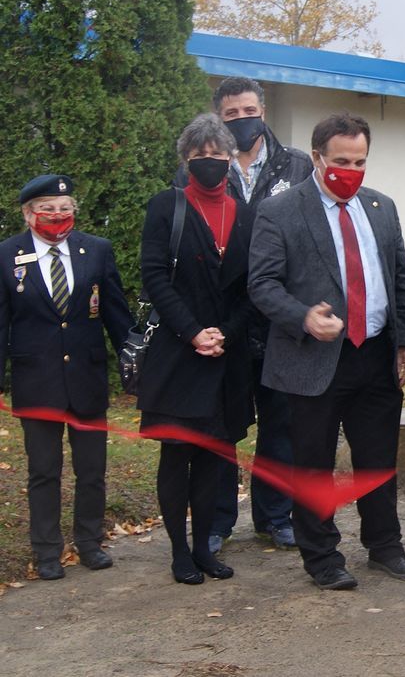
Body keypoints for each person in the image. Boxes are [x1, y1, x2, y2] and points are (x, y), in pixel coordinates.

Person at [248, 112, 405, 591]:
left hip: (375, 357)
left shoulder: (381, 207)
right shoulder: (280, 211)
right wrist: (303, 316)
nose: (351, 170)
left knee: (377, 460)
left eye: (361, 161)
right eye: (341, 161)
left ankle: (385, 547)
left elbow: (402, 280)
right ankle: (322, 557)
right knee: (312, 463)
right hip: (313, 359)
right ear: (317, 157)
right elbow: (261, 284)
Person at [175, 76, 312, 554]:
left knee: (281, 423)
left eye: (248, 110)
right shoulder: (200, 168)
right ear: (219, 115)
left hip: (280, 320)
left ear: (263, 110)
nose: (241, 119)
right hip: (224, 319)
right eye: (231, 114)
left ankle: (275, 517)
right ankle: (217, 521)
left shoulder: (296, 165)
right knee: (223, 425)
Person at [139, 114, 255, 585]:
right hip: (178, 354)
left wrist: (225, 332)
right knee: (177, 457)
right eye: (199, 156)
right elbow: (154, 277)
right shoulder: (166, 206)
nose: (209, 163)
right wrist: (193, 332)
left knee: (215, 458)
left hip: (228, 356)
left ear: (230, 159)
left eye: (218, 155)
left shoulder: (244, 213)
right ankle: (178, 552)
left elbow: (253, 285)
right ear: (186, 160)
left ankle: (206, 546)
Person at [0, 175, 132, 580]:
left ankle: (89, 542)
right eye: (47, 208)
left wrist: (135, 362)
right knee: (44, 470)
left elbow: (115, 313)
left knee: (91, 469)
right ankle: (46, 550)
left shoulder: (96, 250)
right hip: (35, 380)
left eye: (64, 207)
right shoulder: (7, 255)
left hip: (87, 379)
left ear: (74, 211)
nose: (57, 215)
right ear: (28, 214)